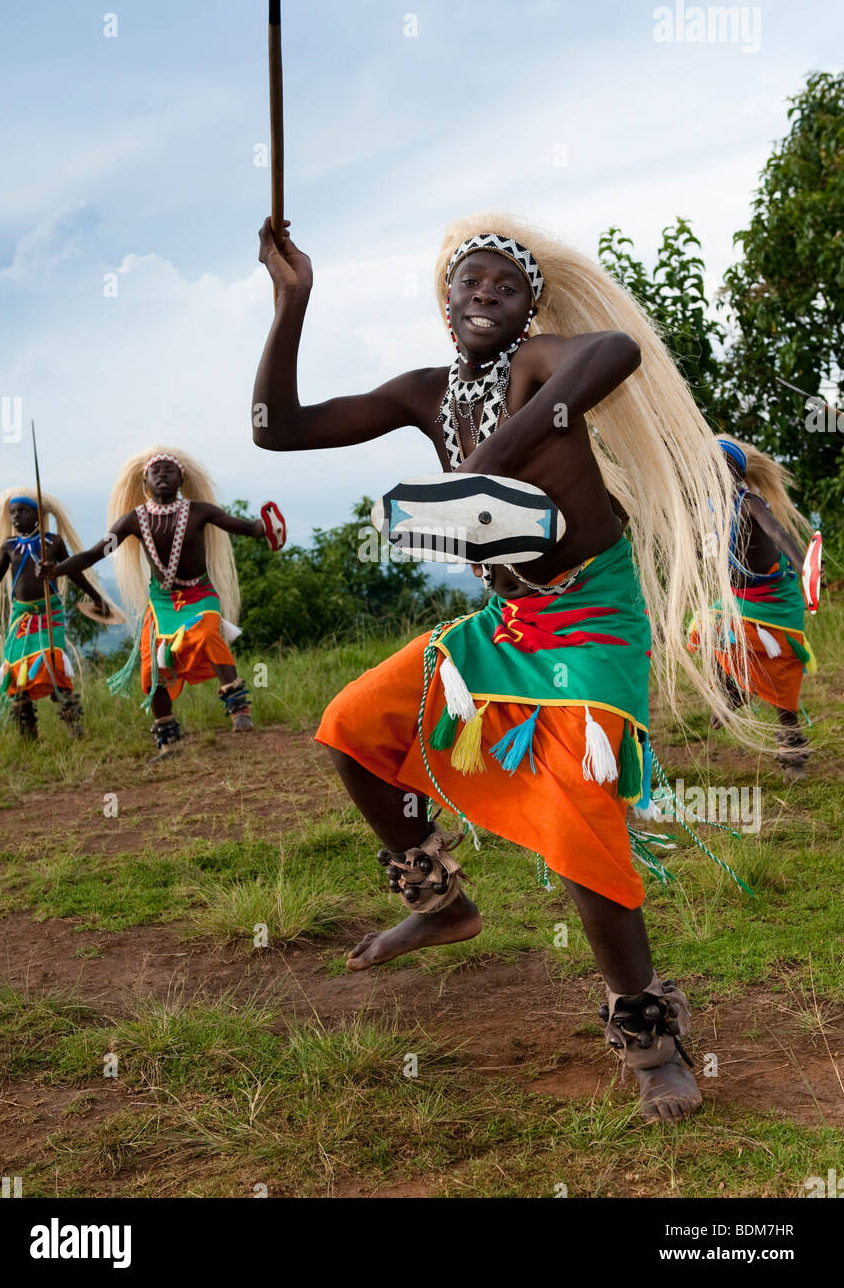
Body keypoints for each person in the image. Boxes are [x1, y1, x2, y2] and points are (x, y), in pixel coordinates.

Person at [252, 211, 751, 1123]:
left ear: (528, 312)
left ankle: (649, 1038)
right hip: (507, 621)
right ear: (447, 305)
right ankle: (439, 899)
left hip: (591, 623)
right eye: (469, 283)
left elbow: (613, 353)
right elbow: (276, 431)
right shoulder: (423, 391)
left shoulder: (540, 366)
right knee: (354, 726)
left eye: (505, 287)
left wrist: (482, 461)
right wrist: (292, 303)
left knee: (579, 819)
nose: (485, 294)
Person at [46, 449, 267, 756]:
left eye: (169, 470)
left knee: (205, 634)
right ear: (145, 481)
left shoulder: (200, 511)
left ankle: (239, 709)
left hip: (199, 595)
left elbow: (242, 527)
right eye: (156, 471)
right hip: (161, 602)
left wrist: (264, 527)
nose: (162, 475)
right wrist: (56, 569)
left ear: (182, 479)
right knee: (151, 669)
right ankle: (168, 736)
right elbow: (95, 554)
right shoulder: (133, 520)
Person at [691, 437, 816, 779]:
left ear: (733, 473)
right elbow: (707, 553)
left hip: (775, 599)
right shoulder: (710, 510)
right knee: (705, 629)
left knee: (779, 671)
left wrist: (804, 566)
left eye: (713, 468)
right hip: (738, 598)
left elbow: (777, 533)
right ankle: (733, 690)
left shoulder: (750, 503)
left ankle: (792, 747)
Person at [0, 489, 108, 737]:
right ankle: (27, 734)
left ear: (38, 516)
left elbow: (73, 571)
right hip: (21, 616)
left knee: (51, 664)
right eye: (13, 513)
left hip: (49, 612)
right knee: (16, 670)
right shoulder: (9, 546)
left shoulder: (52, 542)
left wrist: (95, 597)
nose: (16, 517)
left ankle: (74, 726)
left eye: (23, 511)